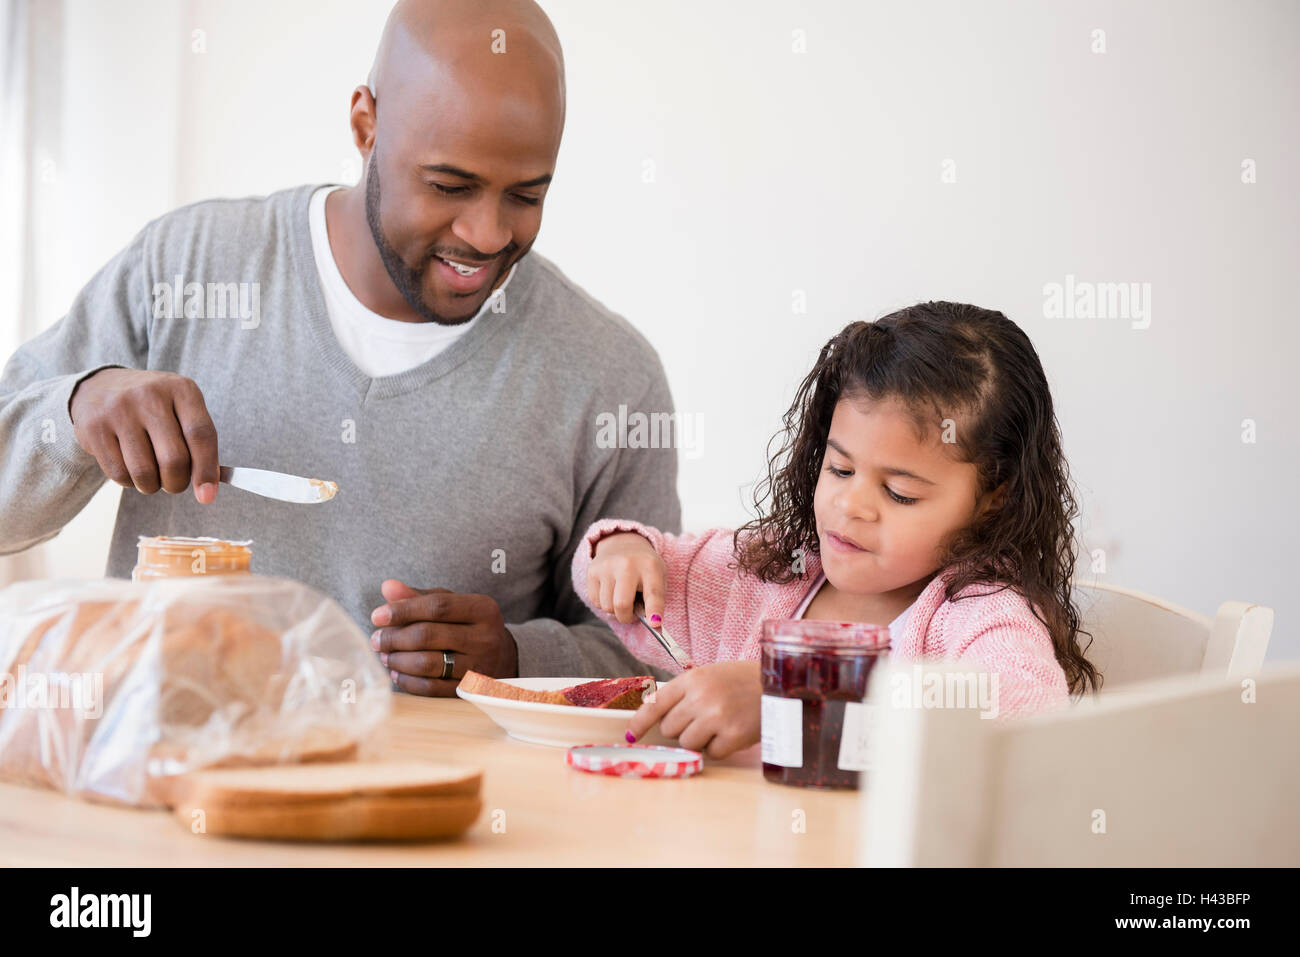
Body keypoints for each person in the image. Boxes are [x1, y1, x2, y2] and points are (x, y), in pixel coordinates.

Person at [0, 0, 681, 693]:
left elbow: (657, 657)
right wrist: (76, 409)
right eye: (450, 185)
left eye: (526, 196)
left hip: (434, 802)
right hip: (163, 782)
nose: (486, 233)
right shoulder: (186, 266)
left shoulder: (610, 377)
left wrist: (515, 659)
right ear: (365, 124)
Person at [576, 302, 1102, 757]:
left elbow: (1026, 709)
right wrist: (622, 550)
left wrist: (789, 690)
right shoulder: (774, 568)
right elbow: (629, 573)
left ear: (992, 498)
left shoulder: (978, 610)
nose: (852, 506)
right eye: (840, 469)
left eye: (900, 493)